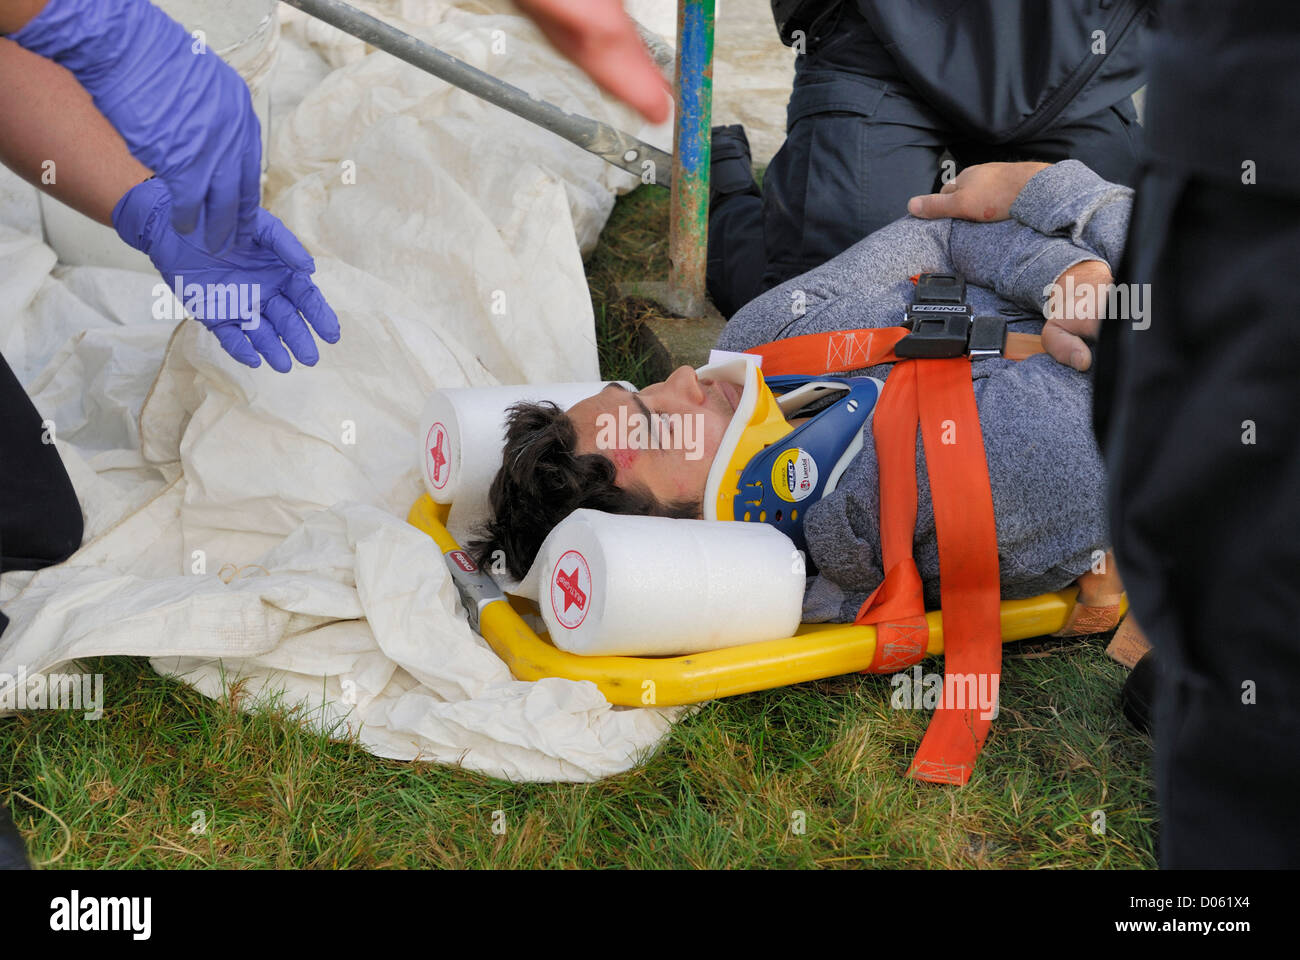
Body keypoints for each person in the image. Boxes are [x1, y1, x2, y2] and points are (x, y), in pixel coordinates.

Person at [473, 159, 1129, 625]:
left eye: (643, 392)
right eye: (658, 428)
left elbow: (948, 229)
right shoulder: (981, 480)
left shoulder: (761, 336)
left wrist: (1070, 272)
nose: (682, 380)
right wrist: (1052, 192)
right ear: (696, 532)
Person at [707, 0, 1151, 318]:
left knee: (1134, 287)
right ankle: (725, 192)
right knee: (823, 306)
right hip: (878, 36)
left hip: (1072, 61)